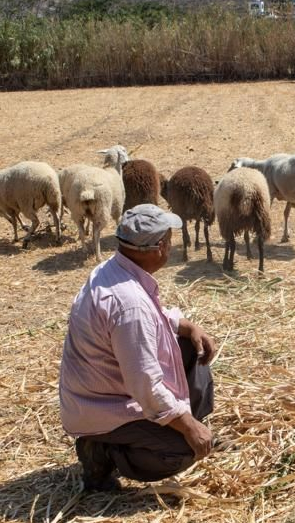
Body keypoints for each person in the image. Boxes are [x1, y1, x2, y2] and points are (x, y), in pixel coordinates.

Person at [58, 204, 219, 491]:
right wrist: (188, 427)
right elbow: (145, 384)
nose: (171, 246)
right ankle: (101, 451)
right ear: (158, 248)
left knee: (188, 348)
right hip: (104, 408)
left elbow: (154, 320)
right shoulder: (129, 304)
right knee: (181, 451)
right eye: (169, 240)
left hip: (110, 391)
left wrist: (188, 326)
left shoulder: (114, 270)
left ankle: (178, 426)